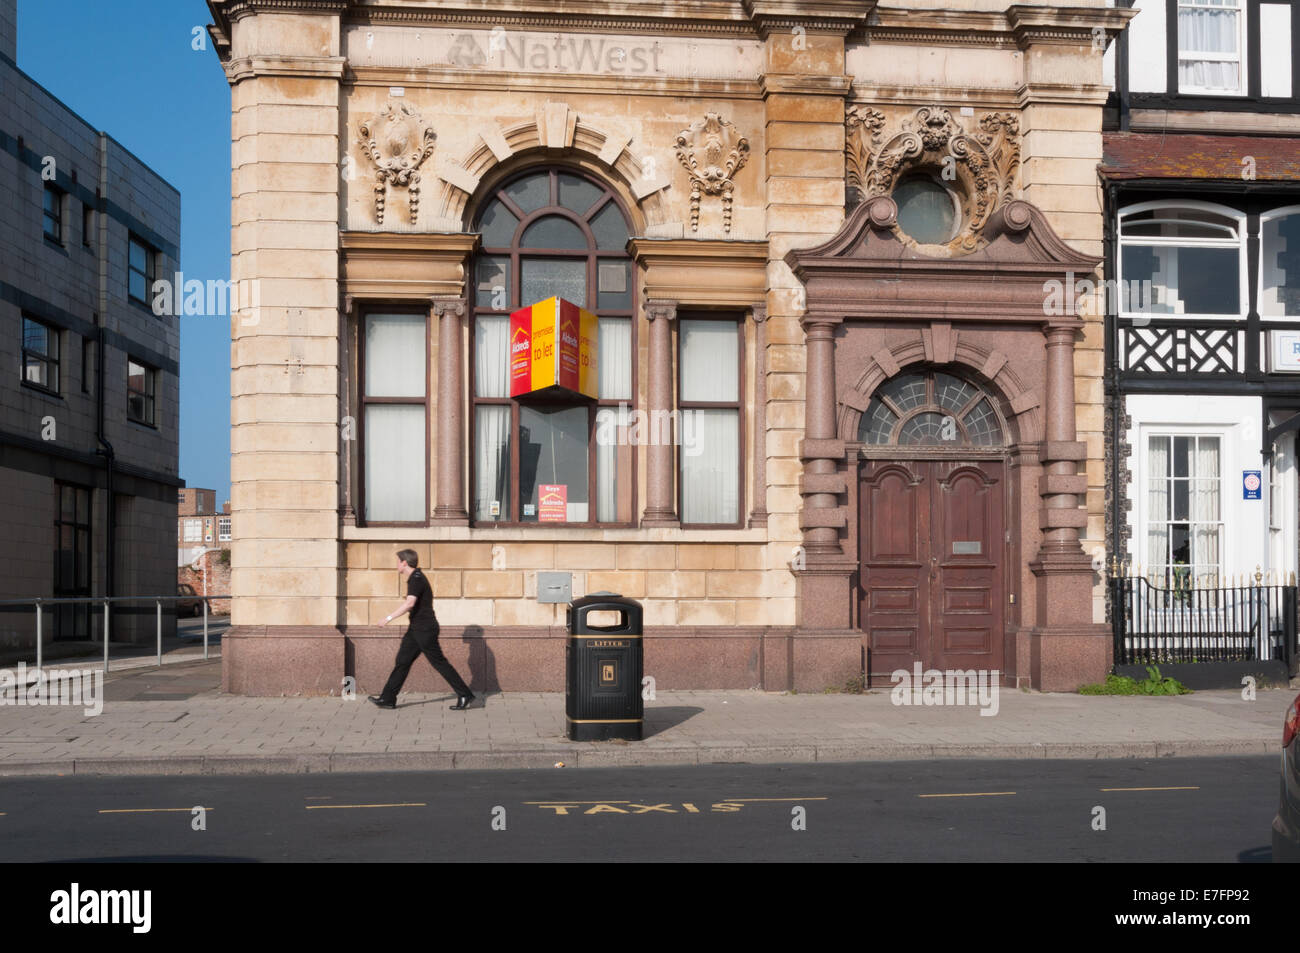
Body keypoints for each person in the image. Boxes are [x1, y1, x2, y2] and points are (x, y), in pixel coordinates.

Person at [369, 549, 476, 710]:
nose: (396, 565)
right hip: (416, 629)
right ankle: (388, 698)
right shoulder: (415, 578)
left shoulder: (416, 579)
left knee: (439, 663)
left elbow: (410, 603)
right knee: (402, 662)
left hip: (424, 629)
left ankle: (465, 694)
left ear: (404, 563)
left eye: (398, 562)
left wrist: (388, 618)